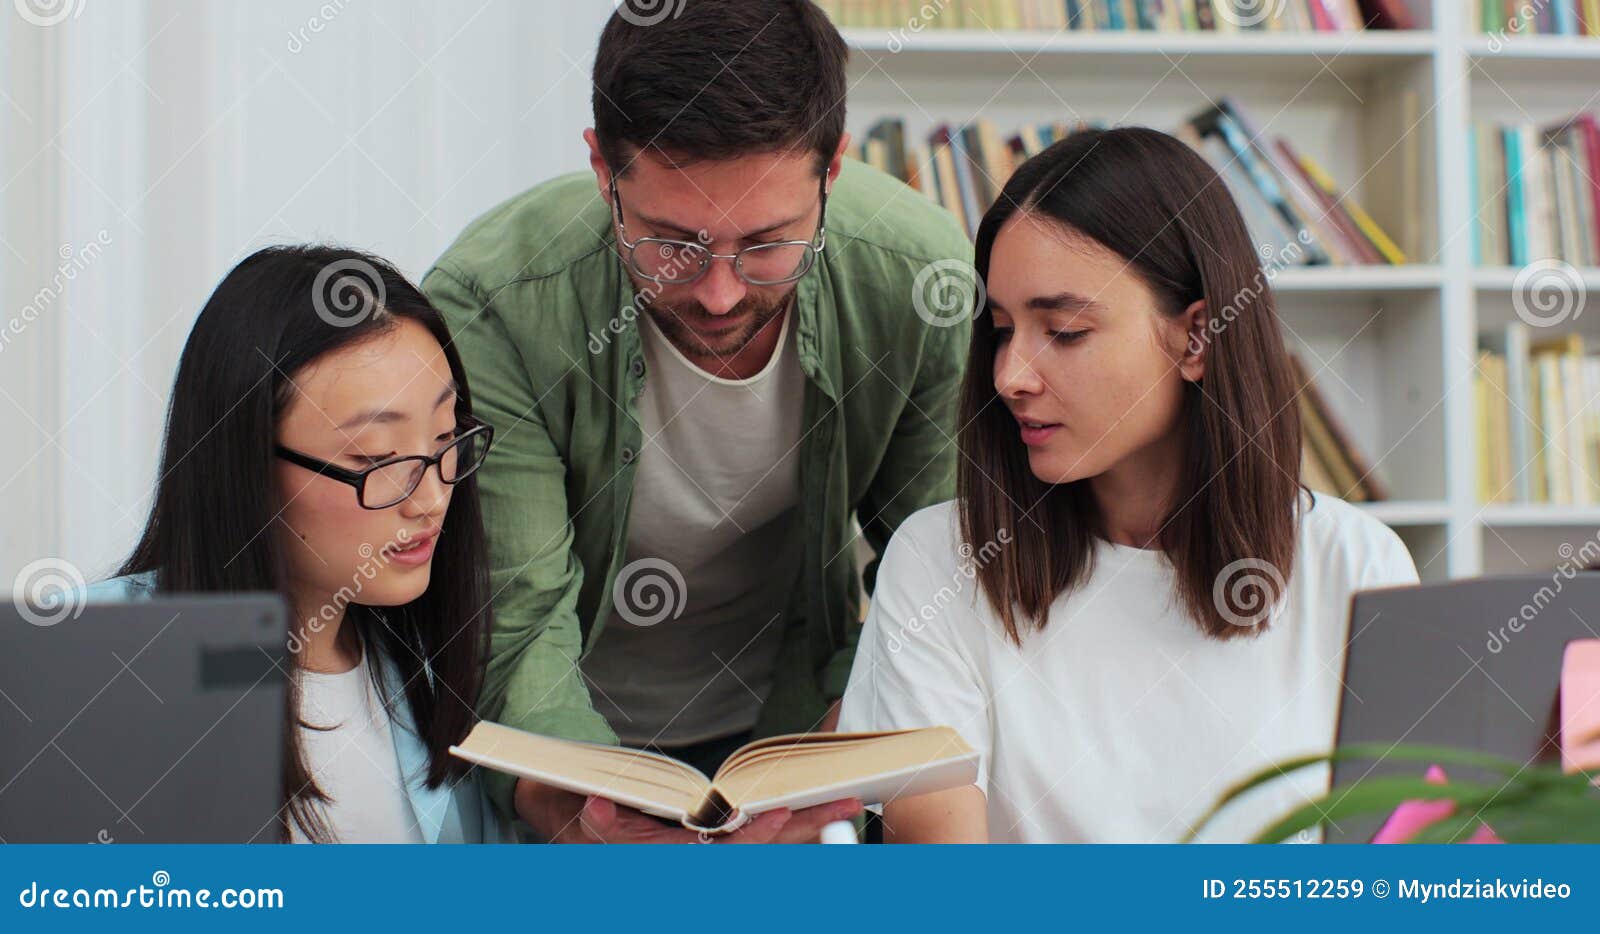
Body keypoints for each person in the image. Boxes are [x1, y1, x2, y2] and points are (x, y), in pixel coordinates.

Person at [422, 0, 972, 842]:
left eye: (769, 243)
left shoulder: (922, 284)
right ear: (603, 169)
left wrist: (831, 774)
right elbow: (519, 622)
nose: (719, 294)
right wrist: (585, 821)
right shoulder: (493, 303)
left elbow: (933, 578)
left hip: (791, 722)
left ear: (832, 174)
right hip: (560, 753)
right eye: (672, 244)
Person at [837, 127, 1421, 843]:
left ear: (1197, 339)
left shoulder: (1358, 566)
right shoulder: (936, 564)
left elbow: (1395, 878)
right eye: (1000, 329)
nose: (1010, 376)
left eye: (1065, 331)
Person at [89, 245, 505, 843]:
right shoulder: (87, 665)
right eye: (376, 460)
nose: (432, 498)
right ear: (246, 463)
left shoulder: (427, 679)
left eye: (446, 439)